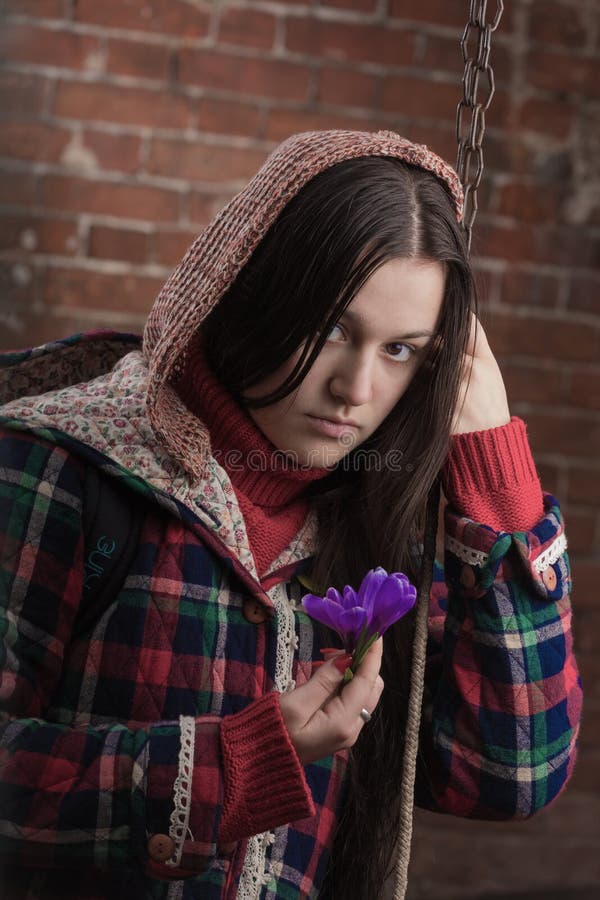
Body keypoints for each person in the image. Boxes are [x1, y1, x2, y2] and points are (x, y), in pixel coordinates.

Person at [0, 130, 581, 900]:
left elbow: (511, 773)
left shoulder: (377, 540)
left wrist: (499, 483)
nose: (356, 388)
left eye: (401, 350)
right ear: (251, 293)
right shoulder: (63, 468)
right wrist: (227, 770)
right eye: (334, 329)